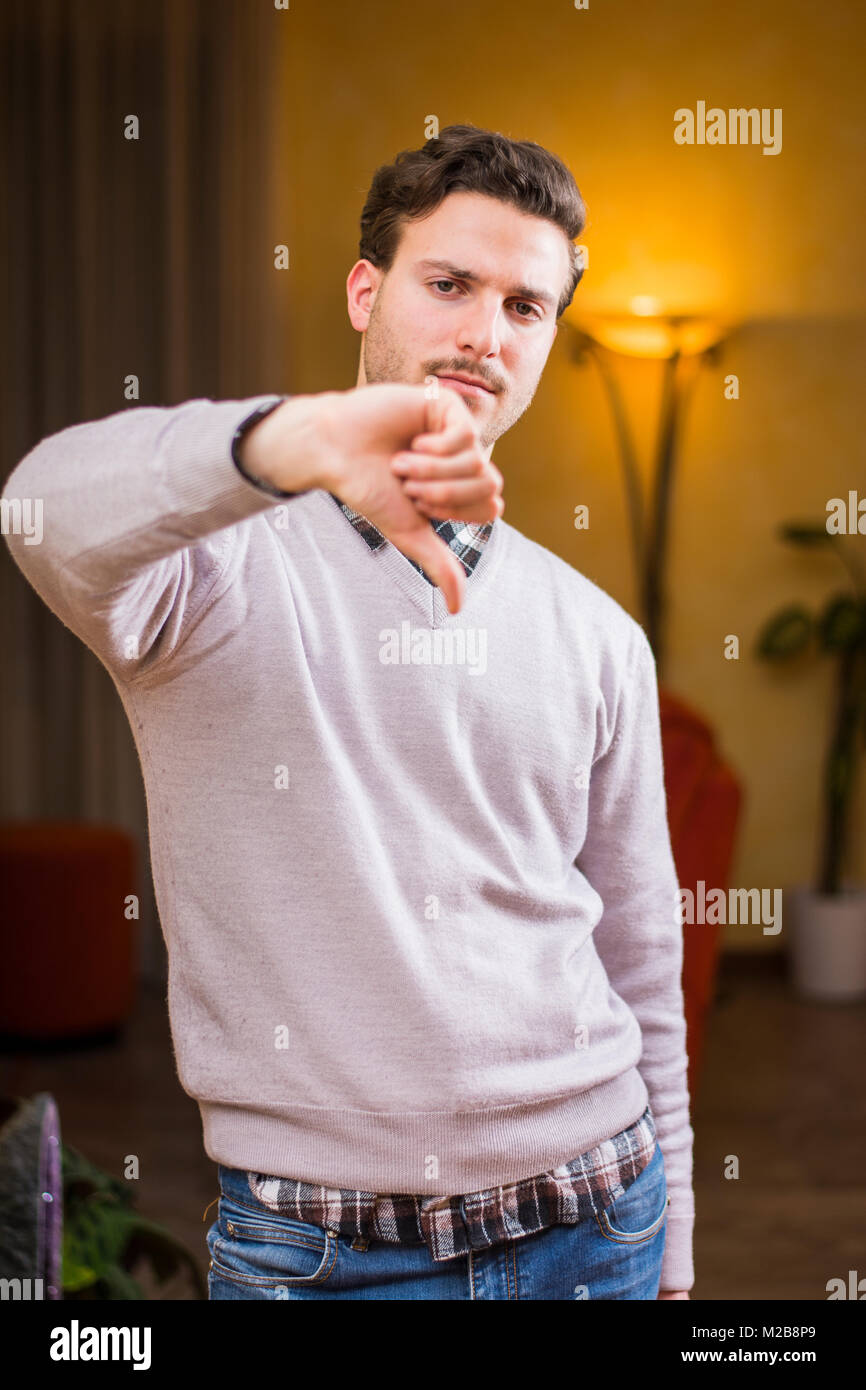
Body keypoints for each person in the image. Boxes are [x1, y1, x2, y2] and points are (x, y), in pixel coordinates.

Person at [2, 123, 694, 1300]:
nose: (485, 332)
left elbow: (637, 949)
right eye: (449, 284)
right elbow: (40, 506)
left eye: (527, 307)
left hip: (597, 1221)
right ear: (364, 290)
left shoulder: (595, 634)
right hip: (324, 1257)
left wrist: (670, 1224)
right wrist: (301, 438)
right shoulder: (210, 573)